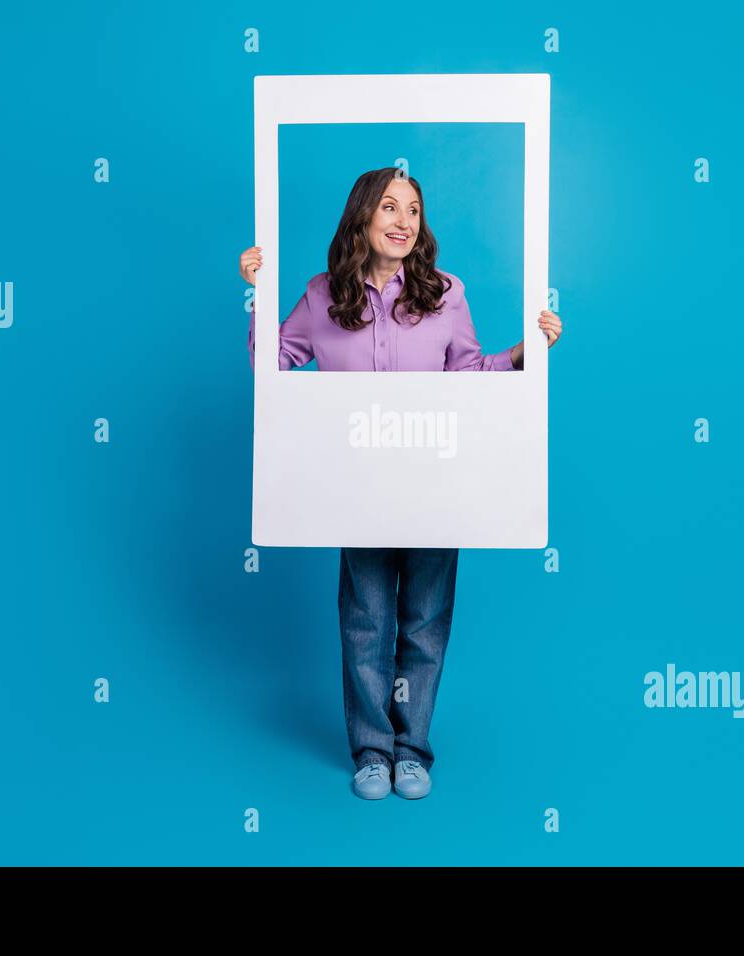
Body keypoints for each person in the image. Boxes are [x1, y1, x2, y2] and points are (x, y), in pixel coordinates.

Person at [239, 167, 562, 799]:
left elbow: (467, 375)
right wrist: (256, 295)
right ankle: (371, 751)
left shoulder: (446, 293)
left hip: (436, 482)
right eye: (389, 207)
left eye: (413, 210)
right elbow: (272, 365)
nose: (403, 221)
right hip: (356, 486)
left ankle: (411, 750)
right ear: (362, 215)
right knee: (365, 619)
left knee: (425, 621)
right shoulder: (322, 295)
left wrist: (524, 353)